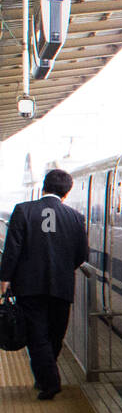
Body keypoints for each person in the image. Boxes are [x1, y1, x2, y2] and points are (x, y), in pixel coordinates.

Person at [0, 168, 89, 400]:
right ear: (67, 192)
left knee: (37, 336)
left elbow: (12, 249)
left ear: (43, 187)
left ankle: (47, 380)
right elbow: (82, 254)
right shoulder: (75, 217)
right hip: (62, 285)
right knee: (55, 335)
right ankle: (48, 379)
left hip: (29, 286)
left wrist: (5, 278)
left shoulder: (23, 211)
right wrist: (63, 269)